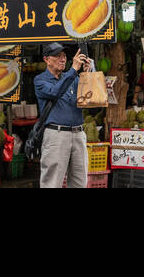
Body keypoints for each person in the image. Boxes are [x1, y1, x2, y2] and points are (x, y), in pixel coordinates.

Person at [33, 42, 92, 189]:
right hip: (56, 134)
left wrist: (87, 73)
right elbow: (55, 92)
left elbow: (90, 95)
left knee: (80, 182)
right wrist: (74, 70)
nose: (62, 59)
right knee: (52, 182)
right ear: (46, 59)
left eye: (64, 56)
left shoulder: (72, 78)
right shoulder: (40, 80)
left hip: (78, 134)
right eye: (57, 56)